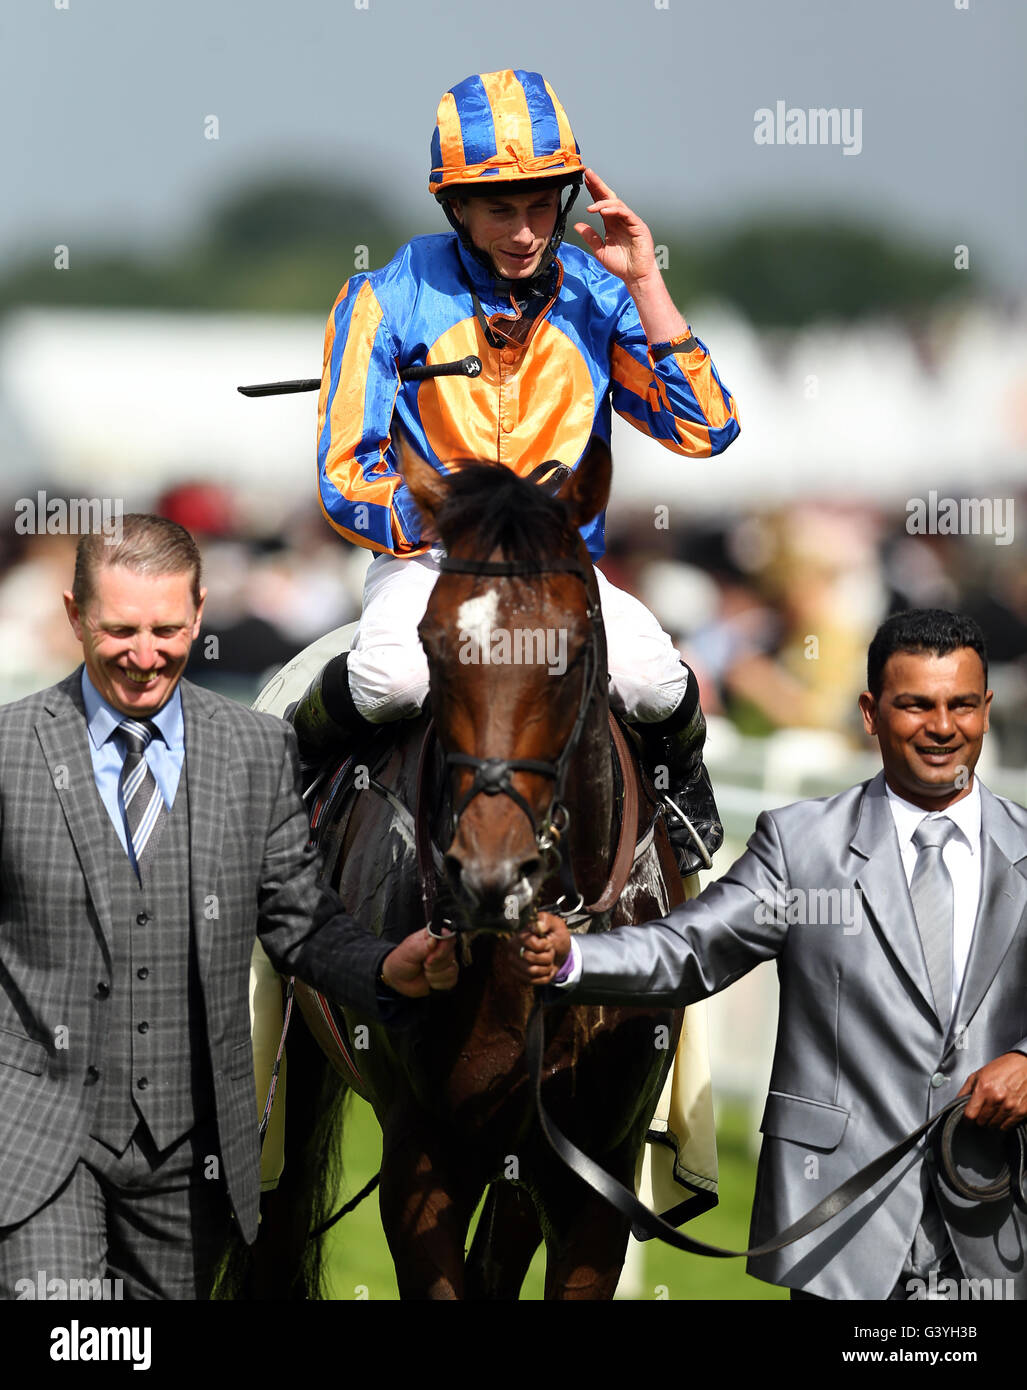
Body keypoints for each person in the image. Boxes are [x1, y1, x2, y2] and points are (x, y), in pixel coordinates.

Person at [294, 68, 741, 873]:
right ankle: (285, 802)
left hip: (558, 568)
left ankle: (678, 814)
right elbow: (344, 476)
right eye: (500, 207)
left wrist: (643, 279)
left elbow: (707, 428)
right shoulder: (380, 297)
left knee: (655, 683)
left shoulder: (603, 297)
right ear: (455, 206)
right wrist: (461, 526)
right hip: (432, 562)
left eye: (541, 205)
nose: (526, 231)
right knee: (391, 681)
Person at [0, 515, 457, 1301]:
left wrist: (385, 965)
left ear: (201, 613)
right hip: (37, 1144)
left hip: (193, 1157)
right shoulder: (7, 752)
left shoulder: (256, 750)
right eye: (119, 629)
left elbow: (297, 919)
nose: (146, 656)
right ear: (74, 615)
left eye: (167, 629)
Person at [518, 610, 1027, 1300]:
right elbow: (690, 948)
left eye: (960, 704)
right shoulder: (800, 845)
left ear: (986, 710)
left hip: (998, 1225)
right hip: (841, 1227)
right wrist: (574, 960)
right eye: (915, 705)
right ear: (871, 713)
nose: (941, 727)